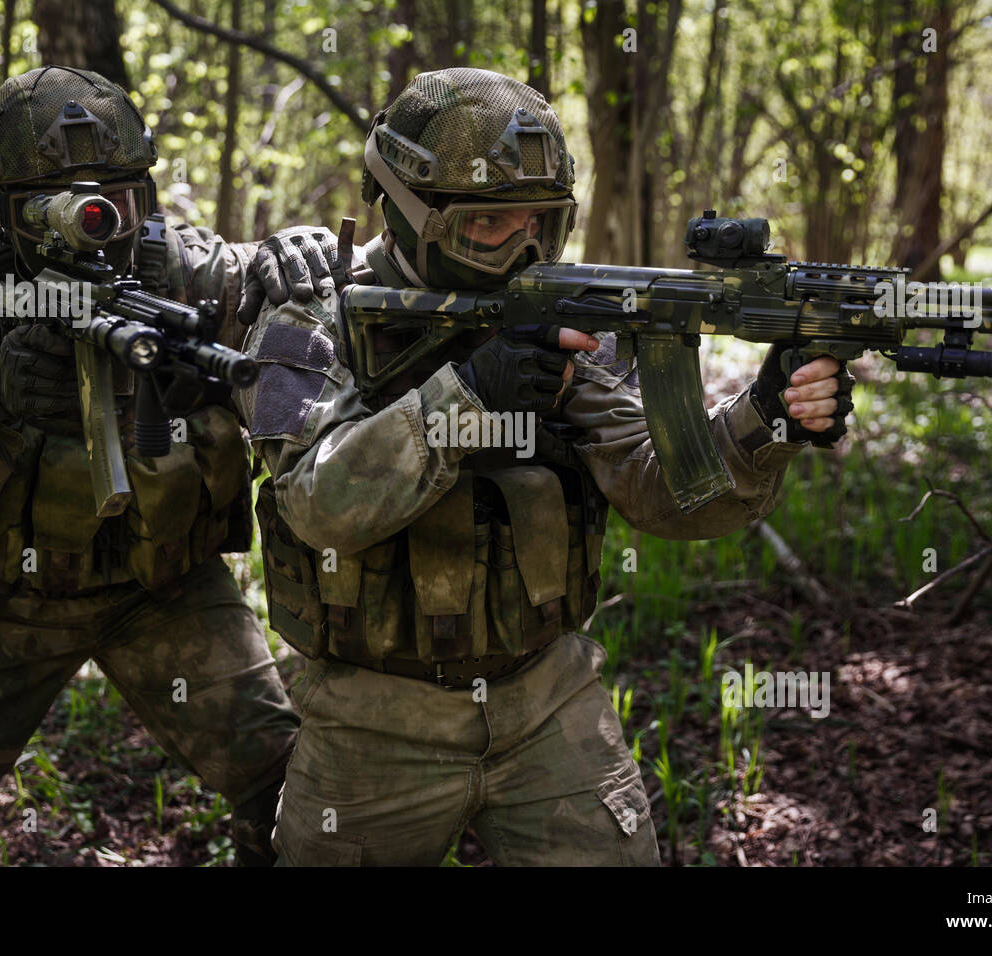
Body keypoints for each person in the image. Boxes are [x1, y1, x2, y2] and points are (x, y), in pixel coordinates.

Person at [238, 67, 855, 866]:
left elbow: (665, 492)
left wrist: (764, 417)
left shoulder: (560, 320)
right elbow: (317, 505)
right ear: (409, 211)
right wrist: (467, 395)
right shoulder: (313, 317)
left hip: (548, 703)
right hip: (370, 719)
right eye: (490, 225)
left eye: (544, 223)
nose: (524, 248)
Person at [0, 65, 332, 866]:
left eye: (120, 198)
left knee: (293, 799)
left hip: (162, 588)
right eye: (53, 205)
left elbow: (313, 331)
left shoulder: (185, 268)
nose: (99, 222)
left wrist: (300, 262)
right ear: (3, 206)